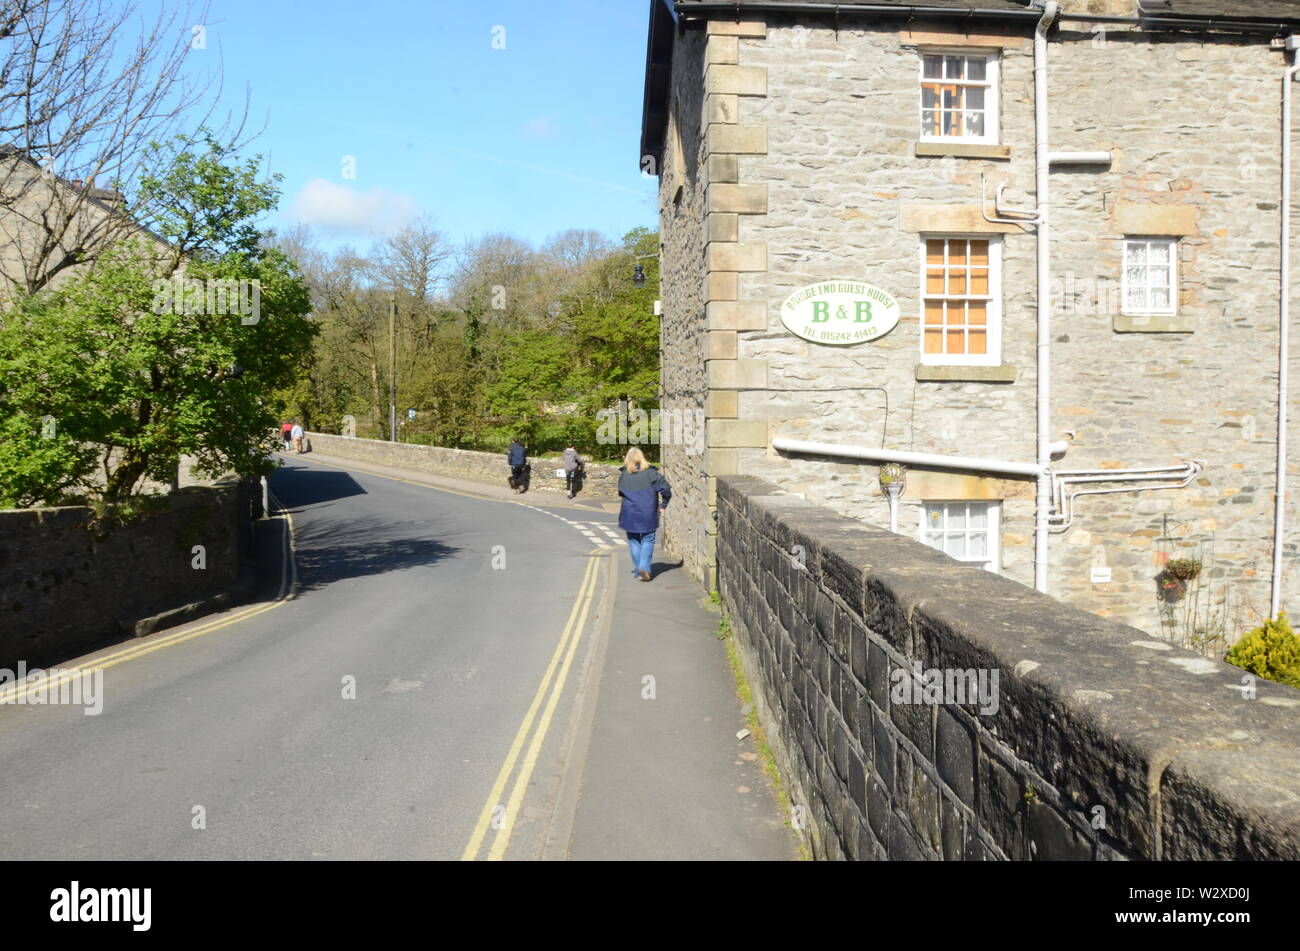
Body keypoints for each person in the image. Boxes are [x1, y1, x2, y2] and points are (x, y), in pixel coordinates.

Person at [617, 447, 671, 582]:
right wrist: (663, 505)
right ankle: (644, 567)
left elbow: (621, 492)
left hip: (629, 513)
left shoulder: (624, 475)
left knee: (633, 540)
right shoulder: (652, 474)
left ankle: (638, 570)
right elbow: (666, 490)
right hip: (648, 512)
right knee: (648, 539)